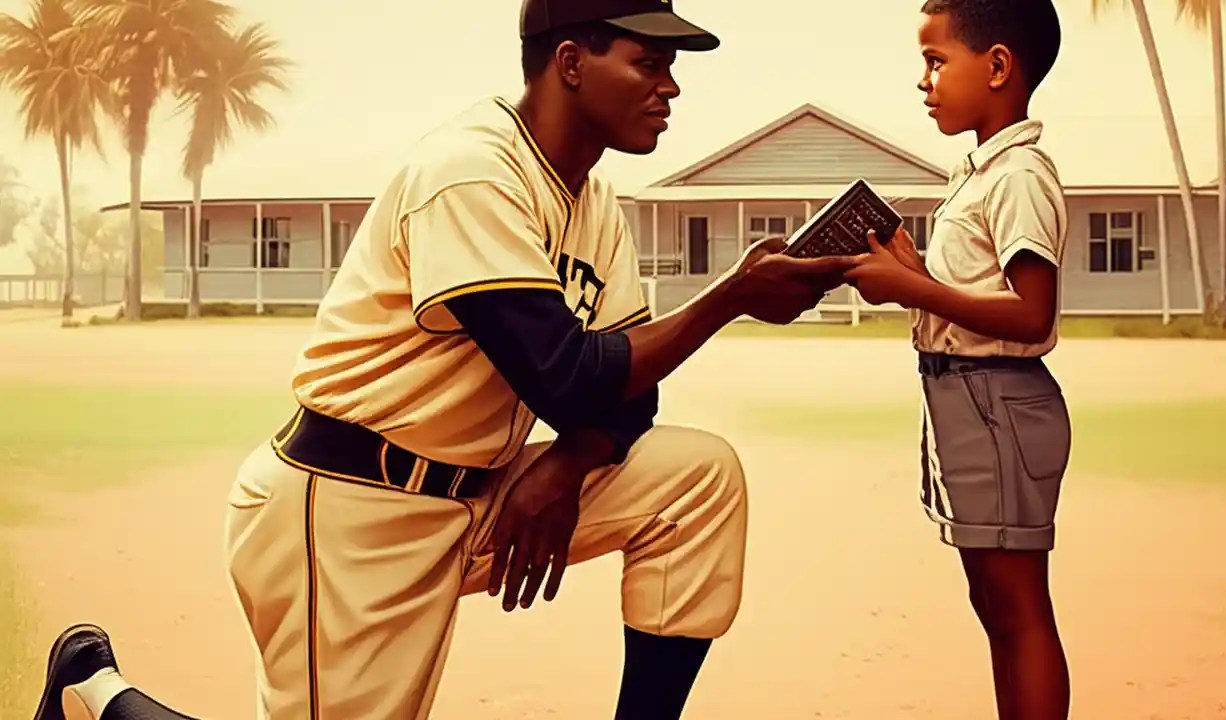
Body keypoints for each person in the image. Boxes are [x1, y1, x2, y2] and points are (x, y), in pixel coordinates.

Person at [30, 0, 861, 718]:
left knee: (697, 477)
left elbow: (630, 394)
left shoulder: (595, 201)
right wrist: (728, 298)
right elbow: (570, 375)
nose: (671, 87)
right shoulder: (469, 171)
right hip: (347, 505)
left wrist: (571, 463)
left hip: (477, 496)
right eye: (649, 62)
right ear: (571, 62)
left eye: (671, 67)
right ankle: (94, 691)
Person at [843, 1, 1072, 719]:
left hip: (997, 401)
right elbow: (967, 294)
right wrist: (912, 275)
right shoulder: (977, 173)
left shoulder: (1018, 175)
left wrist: (909, 285)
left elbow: (1032, 315)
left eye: (936, 61)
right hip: (971, 405)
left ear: (999, 66)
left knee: (1018, 609)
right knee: (997, 602)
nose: (924, 81)